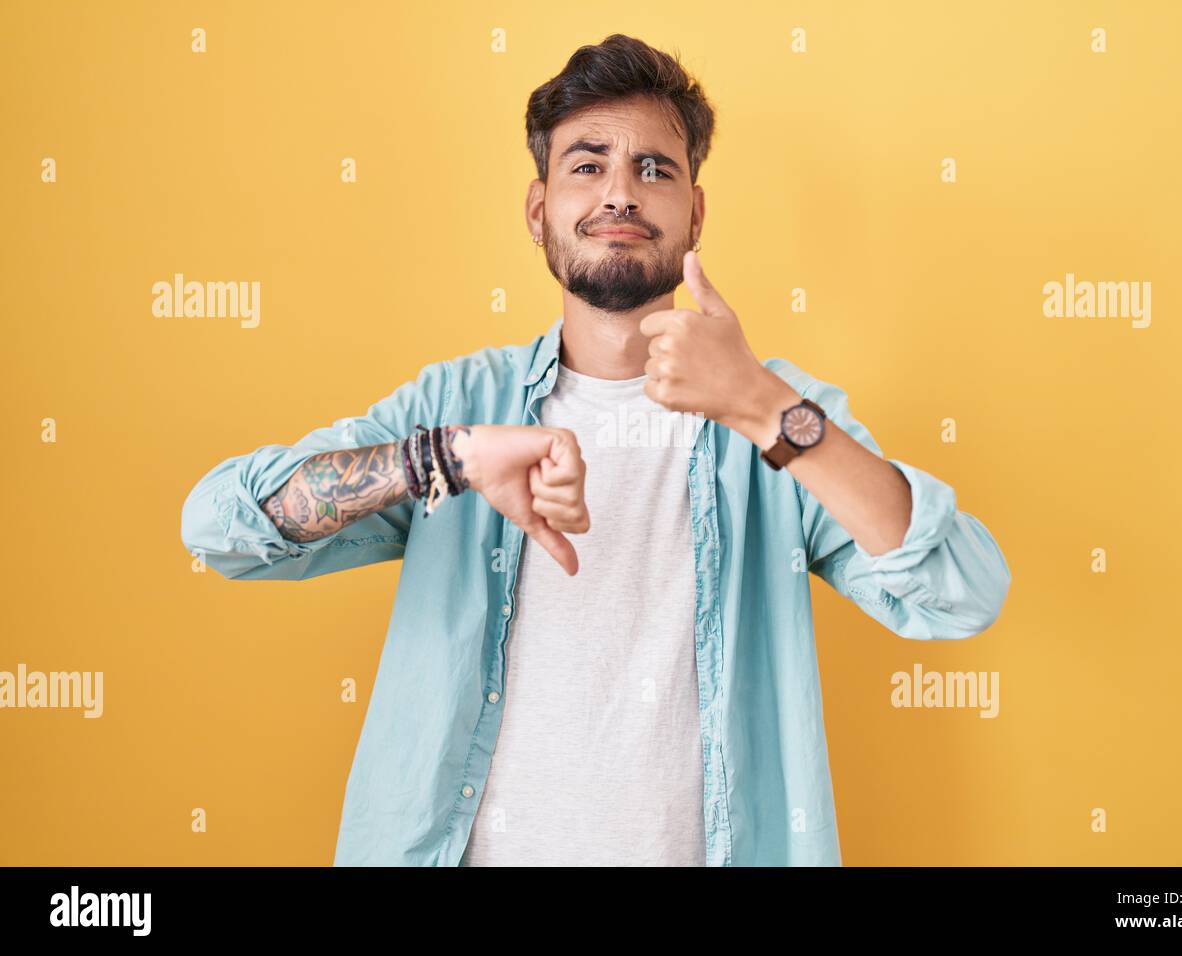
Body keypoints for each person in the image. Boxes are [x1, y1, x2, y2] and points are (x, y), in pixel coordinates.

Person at [180, 33, 1011, 867]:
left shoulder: (780, 414)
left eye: (655, 169)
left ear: (695, 213)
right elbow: (222, 526)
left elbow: (960, 592)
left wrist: (762, 407)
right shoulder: (457, 407)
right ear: (539, 209)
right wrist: (447, 457)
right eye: (588, 164)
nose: (621, 192)